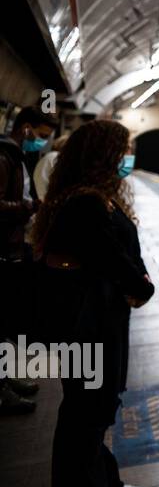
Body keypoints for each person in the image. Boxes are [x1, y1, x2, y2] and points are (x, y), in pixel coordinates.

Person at [30, 120, 152, 487]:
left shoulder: (87, 197)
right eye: (123, 150)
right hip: (87, 325)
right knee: (85, 411)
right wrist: (141, 286)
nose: (127, 158)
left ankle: (105, 486)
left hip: (96, 319)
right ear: (103, 156)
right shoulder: (85, 203)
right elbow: (110, 257)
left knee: (93, 408)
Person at [0, 107, 55, 414]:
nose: (42, 143)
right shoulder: (4, 156)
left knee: (5, 322)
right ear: (26, 128)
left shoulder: (16, 155)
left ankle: (5, 380)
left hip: (12, 247)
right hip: (3, 248)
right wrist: (27, 206)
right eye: (41, 135)